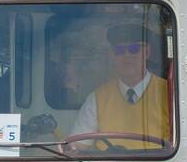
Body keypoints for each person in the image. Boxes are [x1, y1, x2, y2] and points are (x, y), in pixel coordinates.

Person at [69, 22, 171, 150]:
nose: (127, 55)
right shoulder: (97, 98)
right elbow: (78, 144)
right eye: (119, 50)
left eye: (134, 49)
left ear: (147, 52)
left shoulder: (170, 93)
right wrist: (71, 148)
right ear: (111, 55)